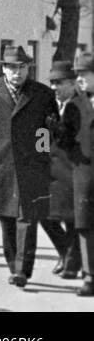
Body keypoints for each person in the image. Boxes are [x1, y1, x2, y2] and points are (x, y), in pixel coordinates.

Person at [0, 45, 57, 288]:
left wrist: (41, 157)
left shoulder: (42, 93)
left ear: (28, 69)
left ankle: (22, 270)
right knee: (6, 217)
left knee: (27, 218)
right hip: (1, 164)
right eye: (12, 67)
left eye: (22, 67)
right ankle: (13, 265)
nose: (17, 72)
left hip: (31, 164)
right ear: (3, 68)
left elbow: (47, 129)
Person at [44, 61, 82, 279]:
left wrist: (56, 129)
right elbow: (40, 135)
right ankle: (66, 252)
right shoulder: (50, 106)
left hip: (75, 171)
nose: (55, 87)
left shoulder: (82, 105)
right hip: (51, 171)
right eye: (52, 83)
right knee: (42, 213)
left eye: (60, 83)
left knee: (73, 220)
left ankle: (71, 261)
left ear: (73, 83)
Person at [71, 54, 94, 296]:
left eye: (84, 74)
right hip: (84, 175)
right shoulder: (75, 105)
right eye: (77, 75)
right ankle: (89, 276)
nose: (80, 79)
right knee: (85, 226)